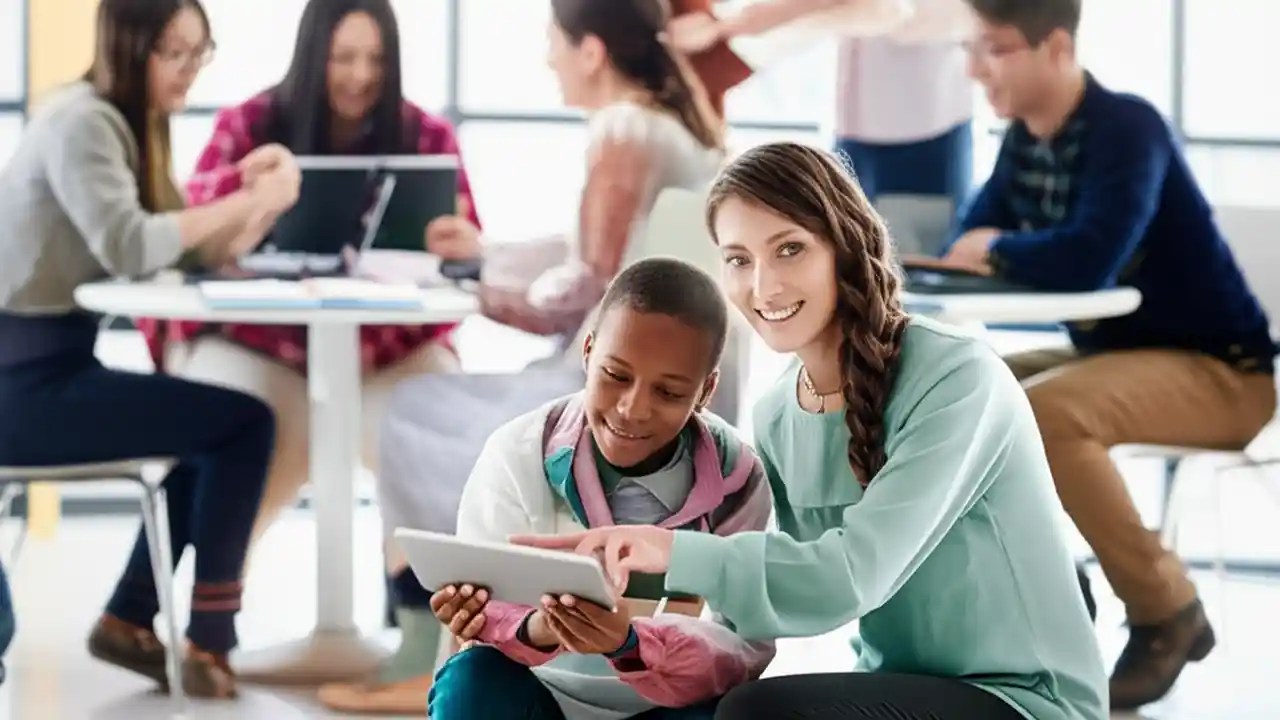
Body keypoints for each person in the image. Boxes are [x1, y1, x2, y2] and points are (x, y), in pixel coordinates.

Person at [517, 143, 1108, 720]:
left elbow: (851, 575)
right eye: (738, 259)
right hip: (899, 688)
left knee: (755, 713)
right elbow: (787, 596)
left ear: (843, 250)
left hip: (1027, 698)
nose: (763, 286)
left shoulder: (958, 377)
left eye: (790, 249)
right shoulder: (778, 414)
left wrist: (672, 552)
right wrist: (620, 624)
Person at [317, 0, 729, 713]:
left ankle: (429, 640)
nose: (547, 60)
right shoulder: (669, 128)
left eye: (553, 44)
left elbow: (589, 287)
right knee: (429, 409)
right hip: (661, 384)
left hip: (597, 382)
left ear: (591, 51)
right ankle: (458, 631)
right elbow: (592, 257)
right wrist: (485, 254)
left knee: (408, 409)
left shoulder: (623, 129)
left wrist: (476, 288)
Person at [933, 0, 1277, 710]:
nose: (972, 68)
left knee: (1048, 415)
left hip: (1223, 372)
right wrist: (995, 248)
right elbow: (966, 240)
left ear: (1055, 46)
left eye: (992, 48)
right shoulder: (1024, 140)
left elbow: (1086, 257)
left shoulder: (1128, 129)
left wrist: (1000, 249)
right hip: (1119, 356)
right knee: (961, 390)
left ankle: (1166, 609)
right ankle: (1050, 591)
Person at [0, 0, 301, 699]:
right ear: (130, 47)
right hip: (22, 387)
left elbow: (187, 250)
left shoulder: (128, 125)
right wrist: (241, 201)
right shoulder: (85, 122)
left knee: (222, 424)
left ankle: (136, 618)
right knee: (242, 423)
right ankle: (204, 640)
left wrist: (260, 199)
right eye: (176, 51)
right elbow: (132, 246)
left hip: (51, 369)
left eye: (202, 51)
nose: (191, 68)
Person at [135, 0, 481, 547]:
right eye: (344, 57)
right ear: (313, 53)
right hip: (262, 347)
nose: (362, 75)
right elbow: (182, 227)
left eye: (376, 58)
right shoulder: (250, 125)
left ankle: (420, 600)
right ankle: (217, 603)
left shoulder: (428, 137)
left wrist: (466, 248)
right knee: (267, 427)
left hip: (389, 351)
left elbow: (467, 258)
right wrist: (249, 196)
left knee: (431, 429)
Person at [427, 258, 775, 720]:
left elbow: (743, 649)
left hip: (668, 706)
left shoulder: (739, 479)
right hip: (538, 692)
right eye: (616, 376)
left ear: (706, 390)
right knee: (470, 680)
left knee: (747, 709)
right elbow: (484, 610)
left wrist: (630, 645)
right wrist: (538, 627)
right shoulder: (519, 452)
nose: (633, 409)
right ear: (588, 352)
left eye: (669, 392)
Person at [667, 0, 975, 247]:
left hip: (923, 138)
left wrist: (729, 26)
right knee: (850, 263)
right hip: (854, 135)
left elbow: (889, 11)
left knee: (912, 271)